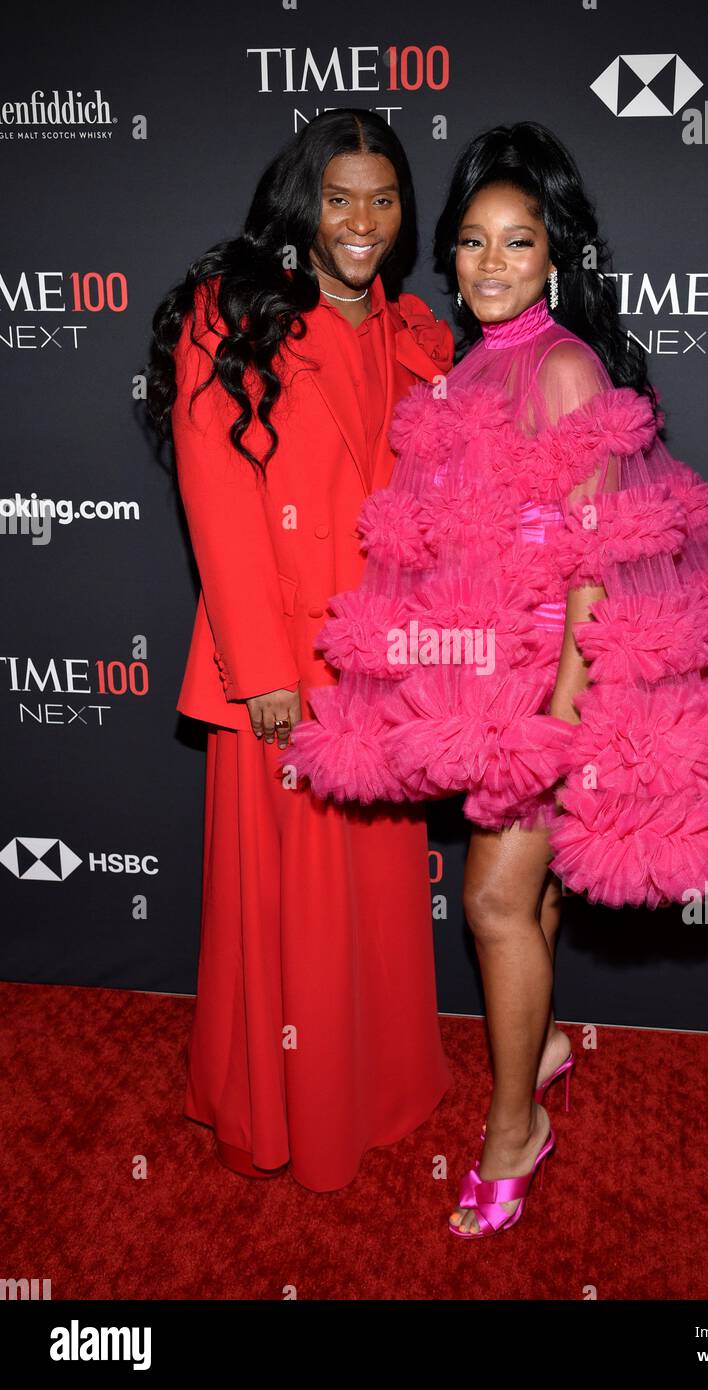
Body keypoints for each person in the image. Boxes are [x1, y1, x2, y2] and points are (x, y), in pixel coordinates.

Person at [287, 122, 708, 1234]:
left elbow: (597, 554)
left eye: (519, 243)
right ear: (448, 254)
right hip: (496, 676)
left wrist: (561, 711)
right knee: (527, 894)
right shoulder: (467, 367)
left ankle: (514, 1129)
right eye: (473, 243)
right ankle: (540, 1043)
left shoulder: (559, 364)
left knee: (494, 896)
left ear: (555, 258)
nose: (491, 264)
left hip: (563, 681)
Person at [144, 109, 454, 1191]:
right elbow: (217, 502)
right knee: (294, 909)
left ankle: (373, 1091)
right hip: (284, 674)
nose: (362, 221)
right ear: (301, 203)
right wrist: (264, 672)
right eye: (339, 198)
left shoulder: (412, 334)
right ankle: (284, 1112)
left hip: (386, 670)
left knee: (370, 900)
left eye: (383, 198)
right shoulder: (232, 319)